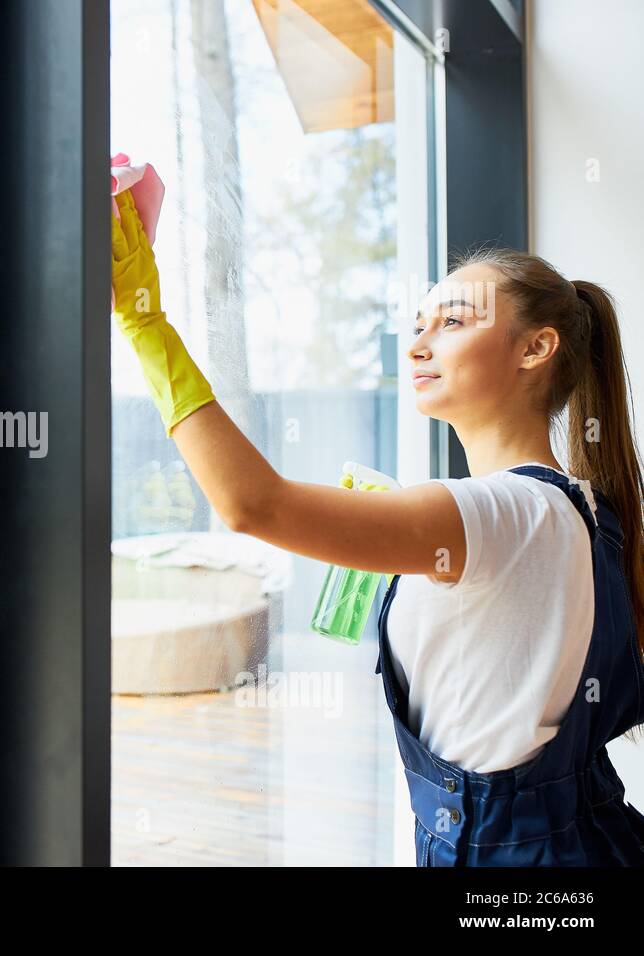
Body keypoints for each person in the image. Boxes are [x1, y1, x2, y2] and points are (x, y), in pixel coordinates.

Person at [110, 186, 644, 865]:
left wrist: (142, 320)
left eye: (452, 322)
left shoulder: (499, 514)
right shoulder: (579, 509)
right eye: (417, 325)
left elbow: (252, 503)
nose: (418, 344)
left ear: (535, 348)